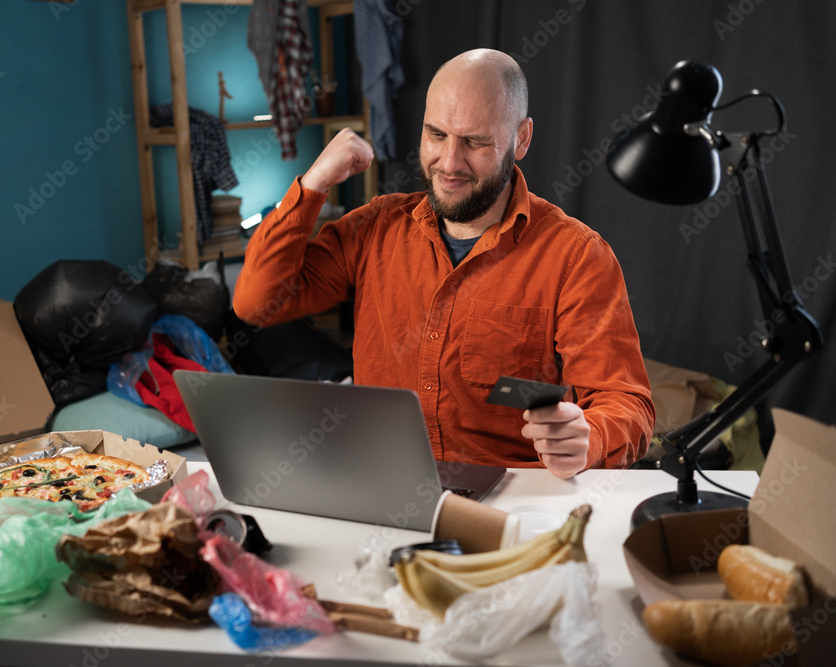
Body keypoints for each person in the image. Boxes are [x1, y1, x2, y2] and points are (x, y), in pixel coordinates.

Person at [232, 49, 654, 479]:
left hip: (512, 499)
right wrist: (313, 183)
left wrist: (587, 438)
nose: (449, 163)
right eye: (436, 135)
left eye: (475, 142)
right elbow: (256, 304)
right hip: (382, 481)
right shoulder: (375, 227)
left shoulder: (577, 257)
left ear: (522, 138)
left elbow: (627, 405)